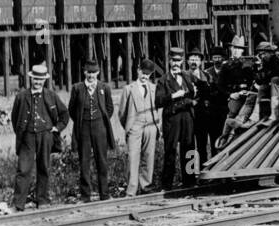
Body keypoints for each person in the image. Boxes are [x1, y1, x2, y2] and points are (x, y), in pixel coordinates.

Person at [12, 62, 66, 210]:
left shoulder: (51, 95)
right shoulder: (21, 96)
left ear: (44, 80)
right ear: (31, 79)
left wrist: (56, 128)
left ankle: (42, 200)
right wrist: (22, 133)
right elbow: (15, 117)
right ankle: (18, 204)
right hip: (27, 138)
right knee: (23, 169)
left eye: (40, 80)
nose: (37, 82)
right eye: (35, 79)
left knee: (44, 167)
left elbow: (64, 114)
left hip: (45, 136)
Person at [68, 60, 115, 201]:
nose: (91, 76)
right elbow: (72, 109)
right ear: (84, 72)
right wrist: (82, 120)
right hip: (83, 128)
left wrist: (101, 120)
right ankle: (85, 195)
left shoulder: (104, 87)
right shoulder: (77, 88)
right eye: (88, 72)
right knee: (84, 162)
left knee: (102, 161)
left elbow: (109, 108)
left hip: (100, 127)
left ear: (98, 73)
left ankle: (104, 194)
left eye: (94, 73)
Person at [118, 59, 161, 197]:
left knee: (148, 157)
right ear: (138, 70)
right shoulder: (128, 89)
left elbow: (158, 108)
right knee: (133, 157)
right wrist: (129, 127)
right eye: (143, 73)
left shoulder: (154, 88)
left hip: (150, 126)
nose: (144, 76)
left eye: (148, 74)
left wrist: (156, 126)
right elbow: (122, 113)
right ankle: (131, 189)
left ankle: (146, 186)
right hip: (135, 127)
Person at [157, 44, 197, 188]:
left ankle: (190, 181)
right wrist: (173, 95)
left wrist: (193, 100)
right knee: (170, 150)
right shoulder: (163, 80)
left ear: (182, 62)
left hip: (187, 117)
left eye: (178, 61)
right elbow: (159, 101)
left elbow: (197, 93)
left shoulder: (188, 76)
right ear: (169, 61)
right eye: (173, 61)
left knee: (189, 149)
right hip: (172, 119)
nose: (175, 64)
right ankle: (167, 184)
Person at [215, 35, 257, 149]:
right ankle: (224, 141)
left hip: (246, 96)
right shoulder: (226, 66)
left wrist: (247, 91)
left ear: (242, 50)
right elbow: (219, 85)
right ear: (230, 49)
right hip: (234, 97)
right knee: (232, 112)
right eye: (234, 48)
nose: (236, 51)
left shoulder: (248, 65)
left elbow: (253, 81)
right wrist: (230, 94)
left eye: (239, 49)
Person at [186, 48, 214, 167]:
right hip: (188, 114)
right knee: (188, 145)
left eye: (196, 59)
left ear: (200, 62)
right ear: (187, 61)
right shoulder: (183, 76)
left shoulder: (207, 76)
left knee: (202, 145)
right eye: (191, 59)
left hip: (203, 115)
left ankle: (204, 170)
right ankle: (190, 174)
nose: (194, 62)